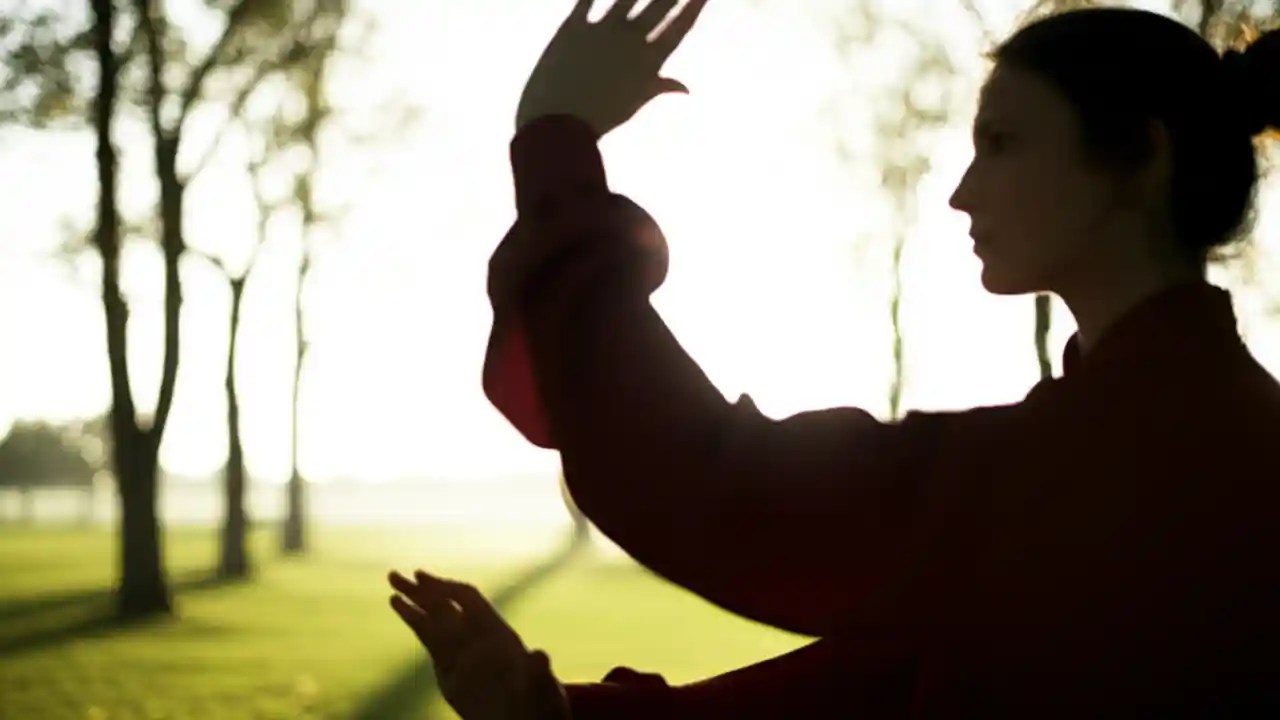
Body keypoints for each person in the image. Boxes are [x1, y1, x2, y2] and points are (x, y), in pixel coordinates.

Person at [390, 1, 1280, 717]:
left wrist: (554, 139)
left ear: (1144, 158)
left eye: (1003, 143)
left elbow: (710, 489)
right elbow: (896, 679)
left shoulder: (1128, 460)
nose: (964, 194)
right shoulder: (1174, 433)